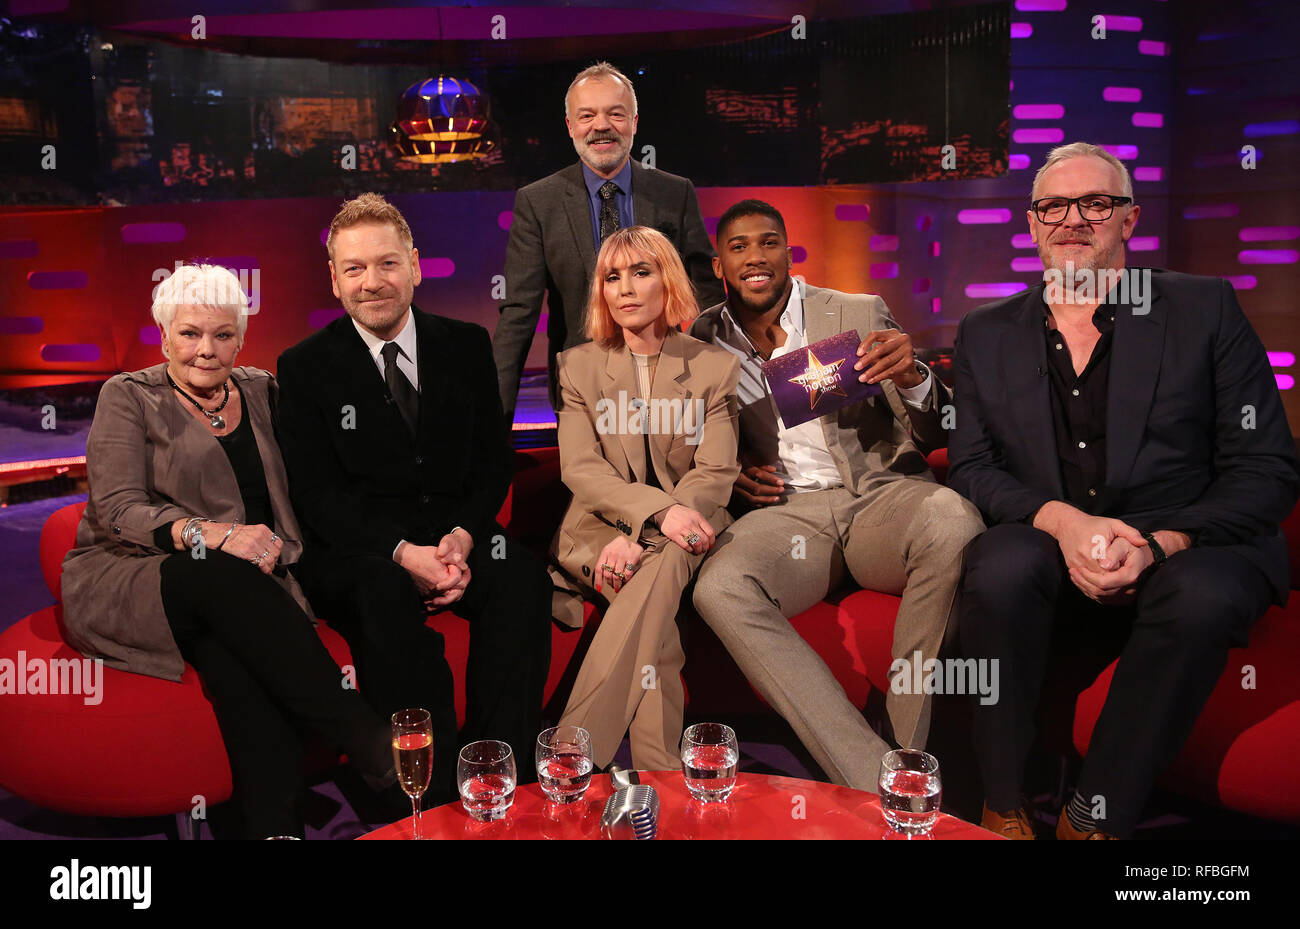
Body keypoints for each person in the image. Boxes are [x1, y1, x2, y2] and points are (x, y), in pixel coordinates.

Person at [949, 142, 1300, 839]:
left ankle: (1093, 816)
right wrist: (1062, 522)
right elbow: (972, 466)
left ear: (1130, 218)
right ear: (1032, 223)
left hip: (1186, 539)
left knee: (1202, 592)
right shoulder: (985, 332)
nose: (1072, 220)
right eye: (1054, 206)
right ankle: (1002, 804)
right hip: (1056, 541)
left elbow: (1265, 465)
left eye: (1095, 203)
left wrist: (1163, 543)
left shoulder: (1203, 307)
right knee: (999, 566)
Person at [60, 263, 395, 839]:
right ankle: (366, 740)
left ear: (241, 339)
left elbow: (322, 467)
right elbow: (118, 510)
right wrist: (213, 534)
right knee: (218, 573)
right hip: (135, 573)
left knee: (234, 665)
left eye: (222, 335)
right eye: (189, 333)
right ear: (164, 336)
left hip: (244, 589)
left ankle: (274, 830)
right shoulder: (129, 396)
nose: (206, 350)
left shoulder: (262, 389)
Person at [689, 200, 983, 792]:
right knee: (719, 587)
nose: (755, 258)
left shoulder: (856, 311)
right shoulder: (702, 338)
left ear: (788, 251)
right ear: (719, 265)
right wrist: (732, 473)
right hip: (786, 515)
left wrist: (914, 378)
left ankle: (909, 752)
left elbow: (937, 432)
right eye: (738, 247)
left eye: (768, 242)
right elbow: (697, 444)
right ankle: (876, 777)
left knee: (953, 519)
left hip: (879, 499)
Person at [276, 194, 553, 800]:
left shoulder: (466, 344)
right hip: (363, 550)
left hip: (455, 534)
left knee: (521, 579)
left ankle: (497, 772)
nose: (372, 282)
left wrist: (464, 538)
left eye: (387, 263)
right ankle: (433, 790)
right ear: (334, 279)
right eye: (354, 268)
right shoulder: (304, 367)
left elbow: (491, 463)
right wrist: (404, 554)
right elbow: (316, 496)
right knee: (382, 591)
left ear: (416, 266)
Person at [549, 226, 740, 771]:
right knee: (662, 595)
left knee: (670, 556)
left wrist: (665, 524)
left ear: (668, 281)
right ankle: (659, 775)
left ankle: (574, 749)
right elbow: (581, 468)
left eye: (641, 272)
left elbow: (716, 470)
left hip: (690, 522)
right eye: (612, 277)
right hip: (601, 530)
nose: (626, 289)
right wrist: (652, 518)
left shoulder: (714, 366)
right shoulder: (578, 366)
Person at [492, 61, 723, 427]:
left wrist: (722, 382)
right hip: (582, 392)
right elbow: (519, 314)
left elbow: (707, 295)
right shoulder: (538, 202)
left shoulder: (674, 192)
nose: (601, 126)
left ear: (634, 122)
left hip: (671, 386)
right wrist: (494, 419)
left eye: (615, 114)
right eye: (587, 115)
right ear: (570, 126)